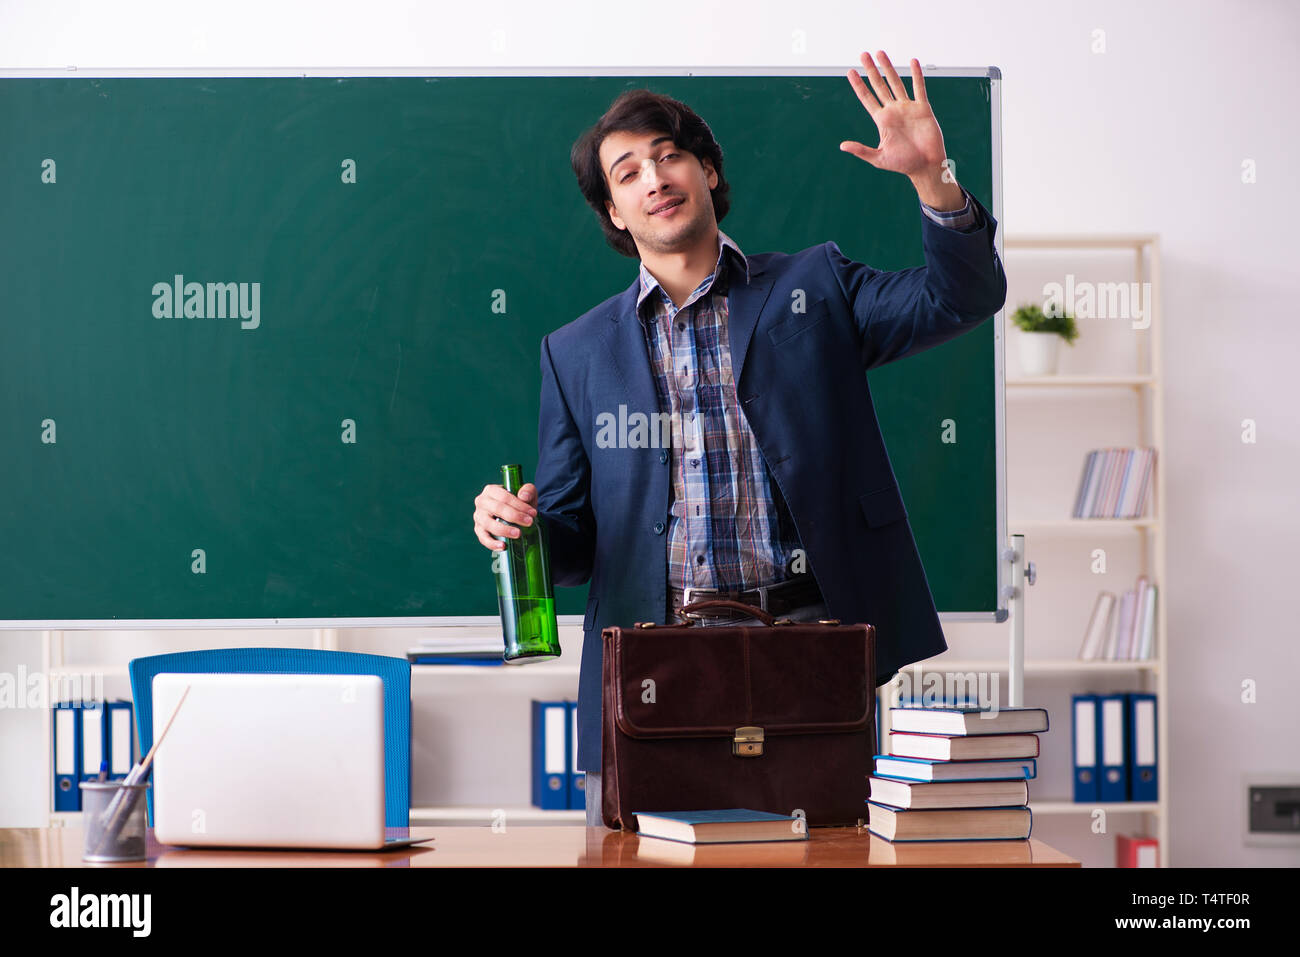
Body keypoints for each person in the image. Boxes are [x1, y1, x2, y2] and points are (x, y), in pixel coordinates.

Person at [472, 51, 1007, 827]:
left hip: (809, 647)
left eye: (669, 155)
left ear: (708, 172)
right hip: (654, 664)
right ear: (614, 213)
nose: (655, 178)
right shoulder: (577, 352)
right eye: (628, 173)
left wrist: (933, 179)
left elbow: (964, 296)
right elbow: (576, 543)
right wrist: (517, 528)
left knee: (828, 849)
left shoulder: (814, 287)